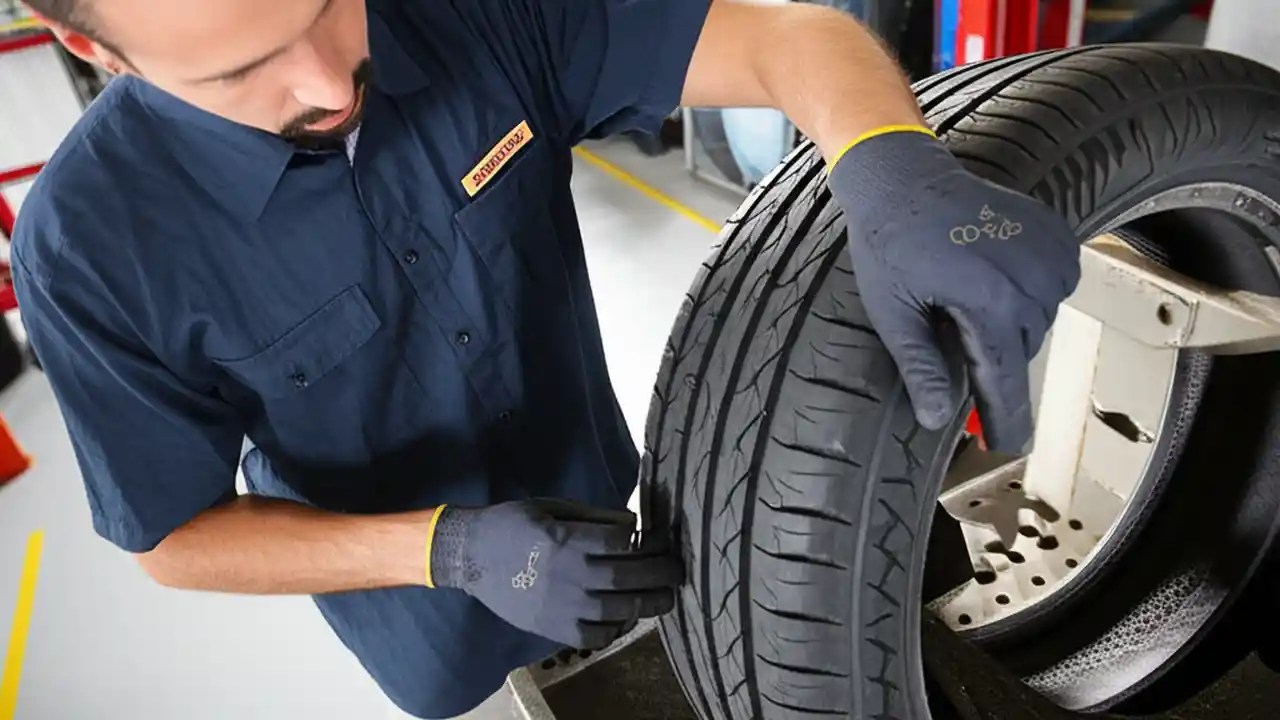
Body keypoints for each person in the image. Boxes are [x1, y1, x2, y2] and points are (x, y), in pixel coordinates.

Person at [12, 0, 1081, 716]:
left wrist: (887, 159)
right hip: (425, 611)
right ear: (96, 50)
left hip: (613, 492)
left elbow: (778, 34)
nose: (329, 79)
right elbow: (172, 542)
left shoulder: (469, 10)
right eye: (244, 68)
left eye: (324, 2)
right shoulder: (92, 250)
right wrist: (453, 552)